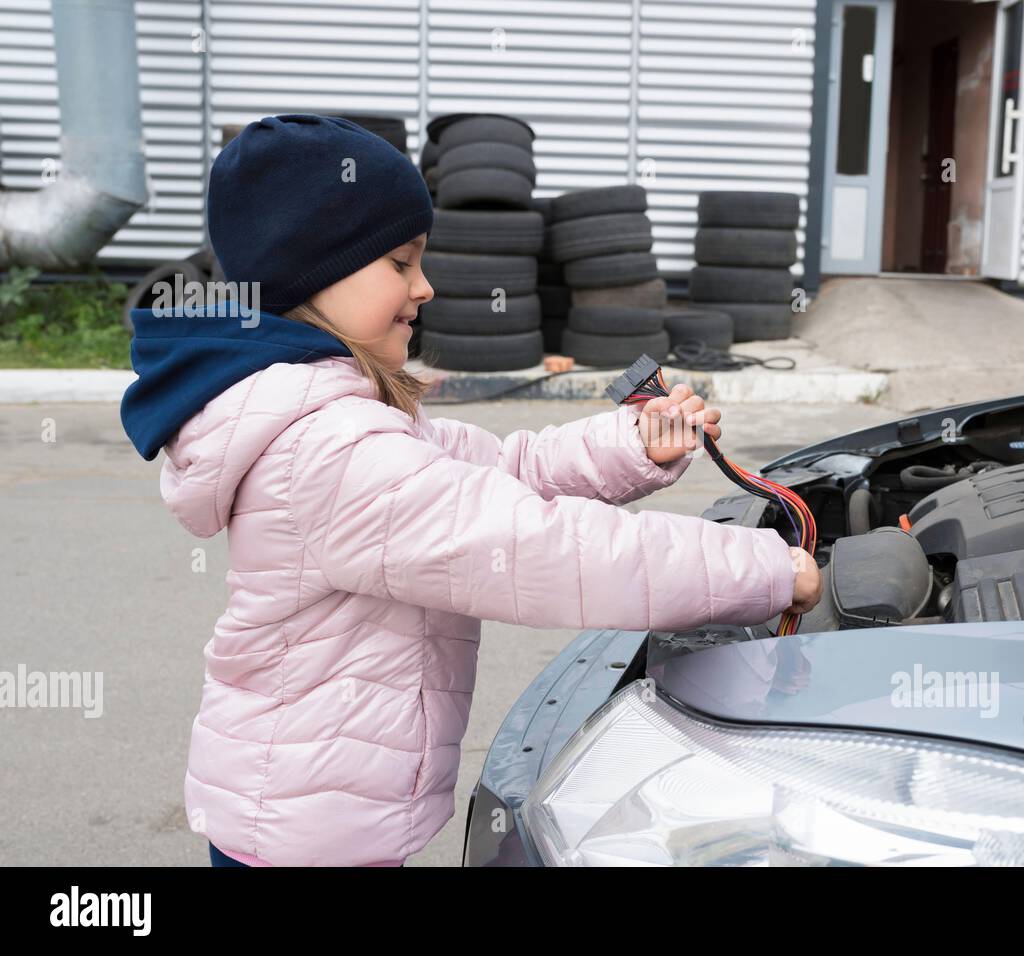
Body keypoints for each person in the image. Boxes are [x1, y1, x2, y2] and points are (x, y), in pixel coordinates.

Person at [119, 114, 821, 867]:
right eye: (400, 262)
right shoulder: (329, 449)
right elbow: (535, 547)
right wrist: (762, 569)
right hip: (302, 838)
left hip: (317, 817)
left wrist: (632, 444)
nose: (424, 287)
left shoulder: (345, 417)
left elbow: (503, 471)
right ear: (312, 273)